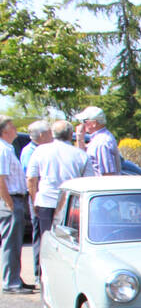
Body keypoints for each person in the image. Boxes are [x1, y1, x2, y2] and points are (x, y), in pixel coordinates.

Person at [27, 120, 92, 282]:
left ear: (53, 134)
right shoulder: (80, 154)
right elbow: (89, 181)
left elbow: (31, 179)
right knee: (70, 242)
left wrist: (35, 200)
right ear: (70, 135)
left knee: (45, 240)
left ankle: (42, 276)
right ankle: (67, 276)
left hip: (46, 201)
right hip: (71, 204)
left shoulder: (40, 151)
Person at [0, 115, 31, 293]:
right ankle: (11, 283)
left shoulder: (8, 148)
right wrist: (9, 203)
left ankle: (14, 277)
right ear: (4, 131)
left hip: (15, 198)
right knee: (11, 242)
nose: (15, 130)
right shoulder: (3, 150)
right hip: (10, 199)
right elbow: (1, 179)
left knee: (16, 241)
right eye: (12, 126)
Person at [21, 121, 52, 278]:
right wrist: (35, 203)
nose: (52, 135)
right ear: (42, 135)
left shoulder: (44, 150)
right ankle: (38, 273)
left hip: (43, 199)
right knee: (40, 236)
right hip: (38, 199)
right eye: (49, 132)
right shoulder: (30, 152)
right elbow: (31, 180)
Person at [73, 105, 121, 176]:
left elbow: (108, 175)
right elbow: (83, 158)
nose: (82, 124)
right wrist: (80, 137)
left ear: (94, 123)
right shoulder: (97, 139)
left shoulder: (101, 142)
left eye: (84, 121)